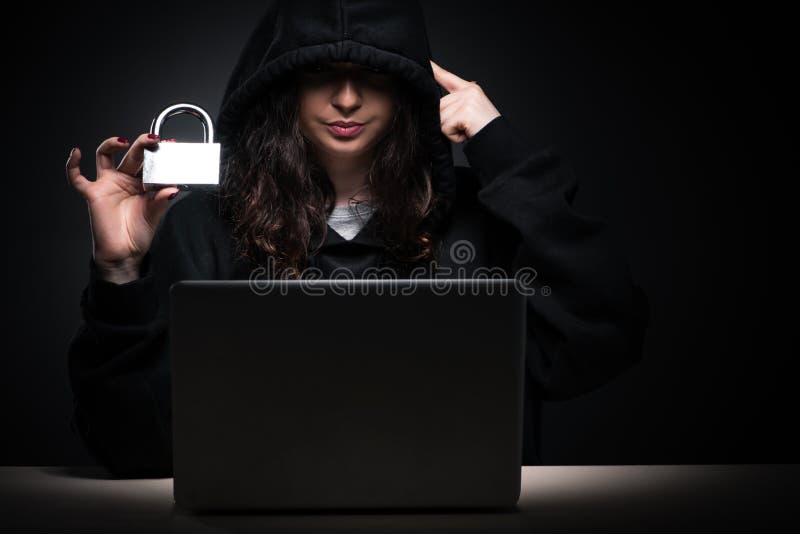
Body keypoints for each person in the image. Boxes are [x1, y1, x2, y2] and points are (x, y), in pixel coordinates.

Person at [65, 0, 650, 478]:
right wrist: (119, 274)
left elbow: (604, 333)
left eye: (372, 75)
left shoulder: (481, 216)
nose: (347, 98)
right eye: (321, 75)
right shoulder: (198, 223)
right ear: (285, 87)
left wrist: (501, 149)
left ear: (407, 88)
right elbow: (133, 450)